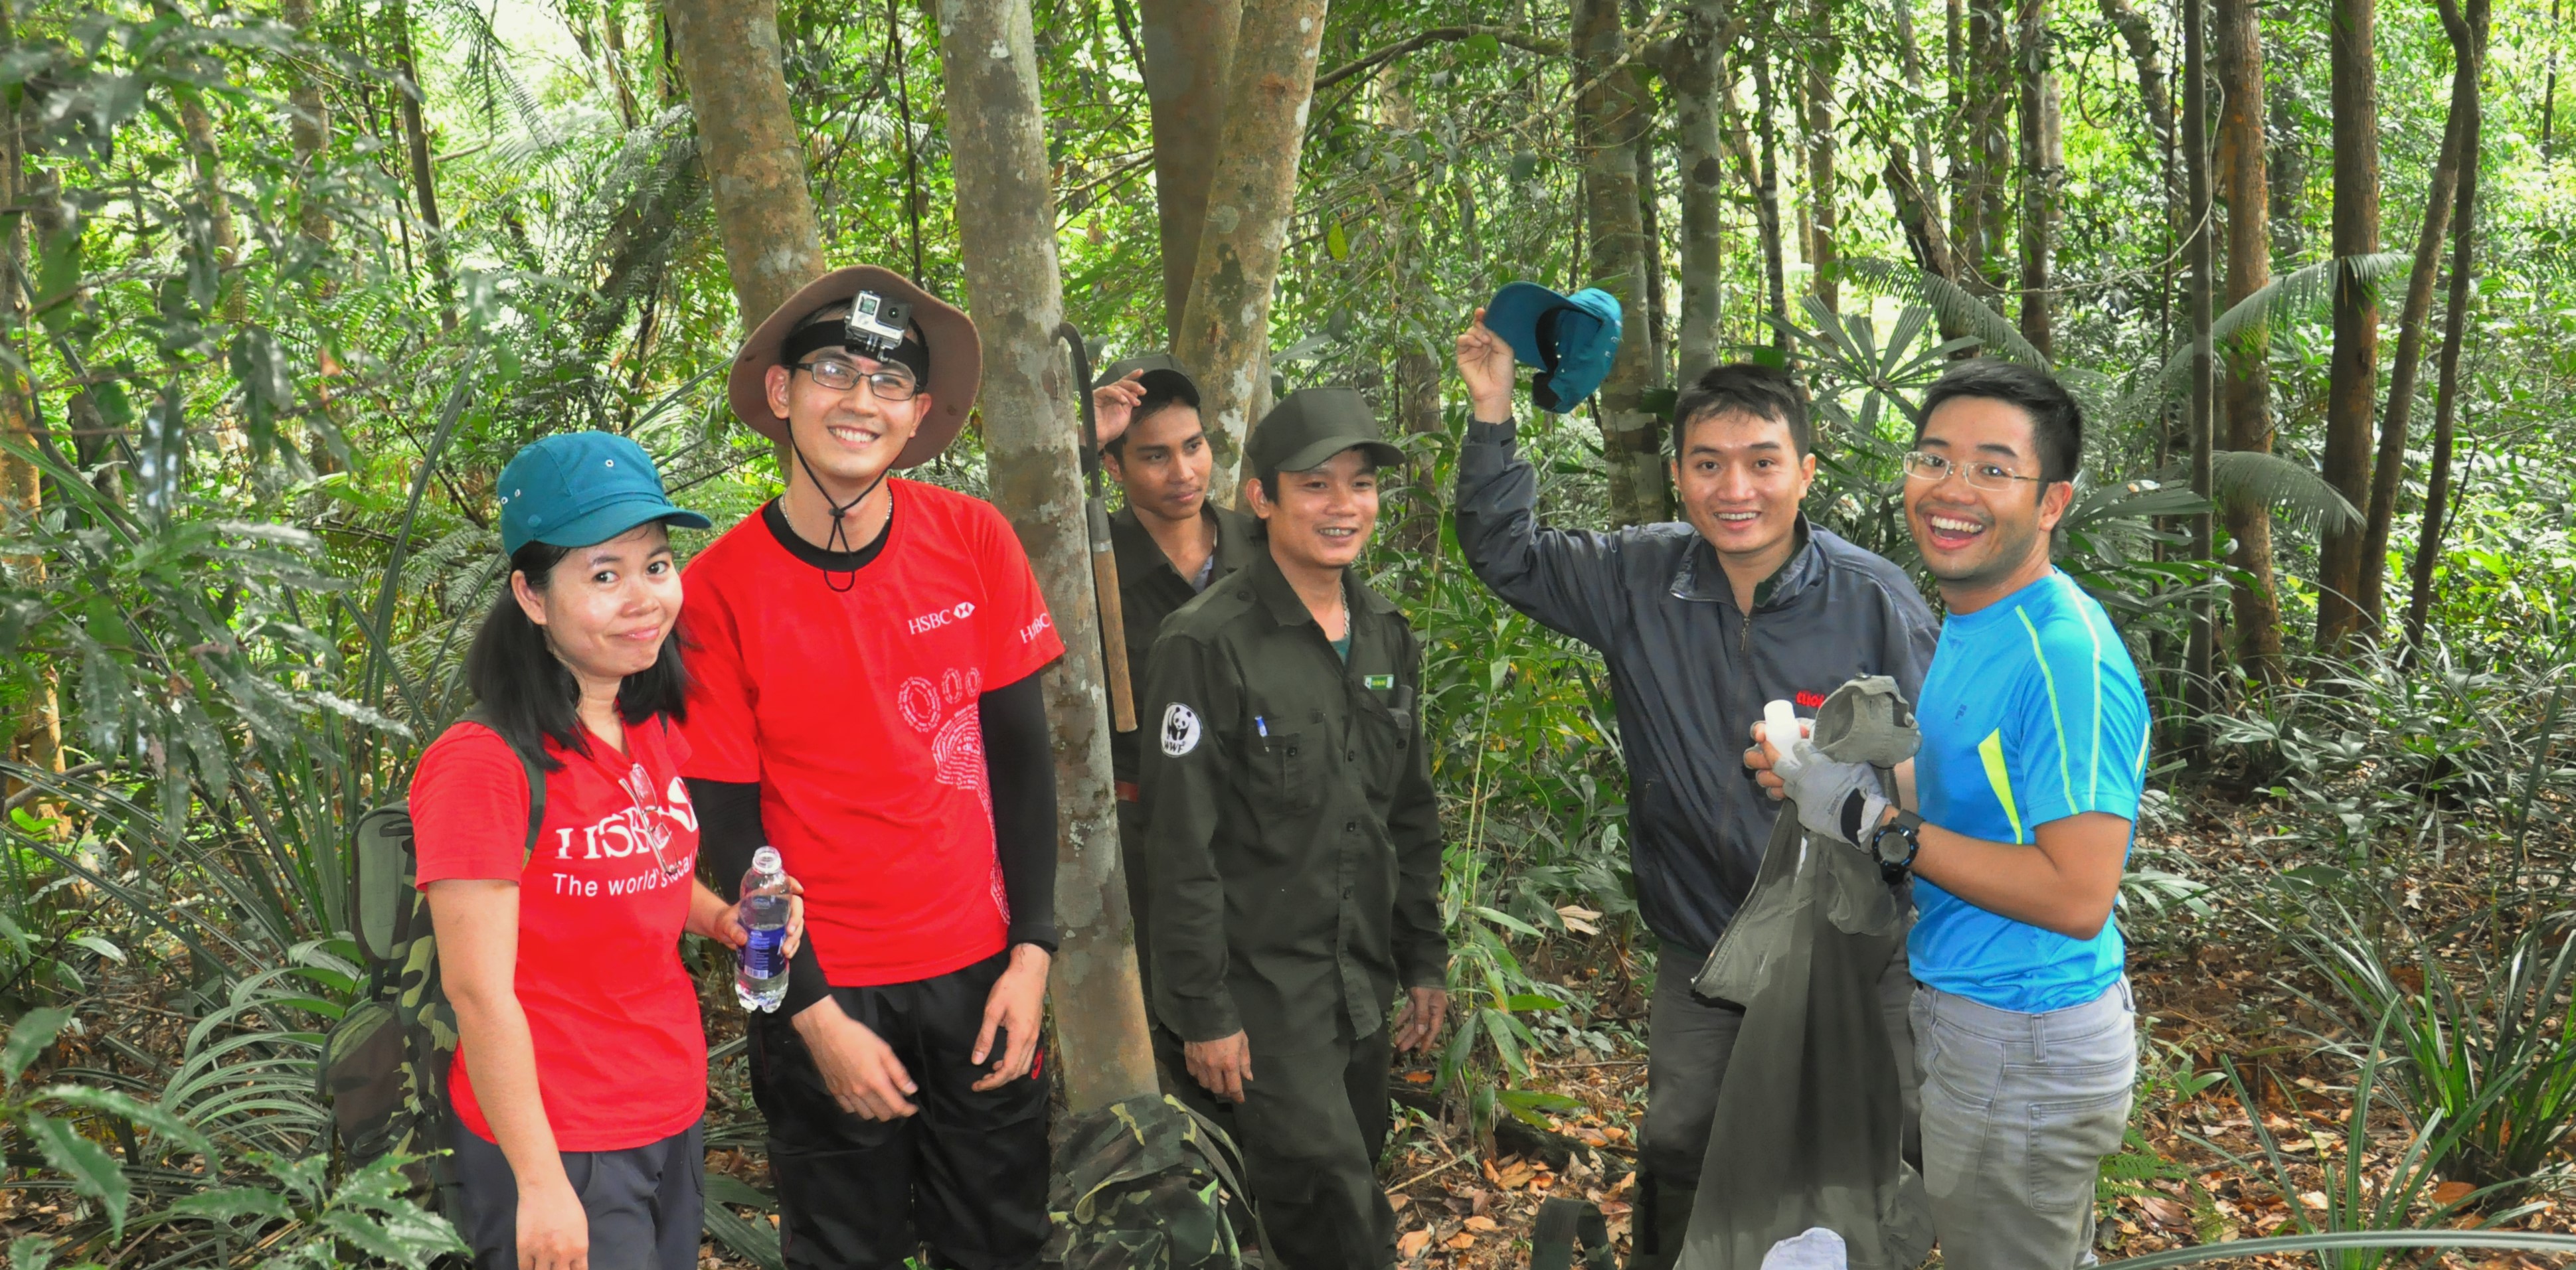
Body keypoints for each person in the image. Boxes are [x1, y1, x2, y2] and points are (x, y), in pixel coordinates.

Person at [1452, 315, 1939, 1263]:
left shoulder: (1872, 598)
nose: (1735, 489)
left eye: (1761, 462)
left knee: (1893, 1137)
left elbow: (1941, 771)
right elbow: (1503, 553)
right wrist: (1490, 407)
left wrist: (1846, 778)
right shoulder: (1639, 577)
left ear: (1804, 472)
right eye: (1707, 464)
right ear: (1677, 475)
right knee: (1680, 1137)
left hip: (1854, 945)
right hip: (1705, 942)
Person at [677, 266, 1067, 1269]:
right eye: (833, 372)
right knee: (844, 1251)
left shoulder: (973, 539)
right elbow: (731, 833)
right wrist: (806, 1011)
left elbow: (1023, 765)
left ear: (919, 414)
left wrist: (1032, 955)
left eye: (888, 382)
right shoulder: (715, 589)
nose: (859, 399)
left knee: (1001, 1243)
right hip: (826, 987)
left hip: (980, 976)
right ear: (781, 393)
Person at [1754, 358, 2150, 1269]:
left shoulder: (2063, 660)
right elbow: (1964, 804)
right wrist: (1831, 769)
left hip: (2025, 1037)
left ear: (2051, 501)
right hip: (1973, 1016)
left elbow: (2075, 894)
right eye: (1933, 458)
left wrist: (1866, 825)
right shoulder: (1975, 623)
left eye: (1990, 468)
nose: (1951, 489)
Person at [412, 431, 804, 1270]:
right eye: (604, 574)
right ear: (531, 593)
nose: (644, 598)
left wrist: (725, 919)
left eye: (656, 566)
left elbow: (648, 870)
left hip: (666, 1101)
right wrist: (542, 1181)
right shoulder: (481, 764)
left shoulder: (647, 719)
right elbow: (477, 992)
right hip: (558, 1132)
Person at [1138, 387, 1450, 1270]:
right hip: (1260, 998)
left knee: (1331, 1187)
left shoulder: (1387, 635)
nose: (1342, 506)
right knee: (1338, 1210)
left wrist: (1421, 959)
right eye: (1315, 485)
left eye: (1359, 484)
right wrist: (1203, 1012)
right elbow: (1178, 847)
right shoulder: (1204, 644)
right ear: (1261, 498)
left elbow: (1410, 813)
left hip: (1358, 986)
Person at [1087, 354, 1261, 1095]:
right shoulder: (1090, 562)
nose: (1183, 471)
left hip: (1265, 825)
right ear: (1115, 467)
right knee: (1181, 1035)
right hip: (1148, 830)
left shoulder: (1264, 546)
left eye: (1193, 446)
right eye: (1154, 456)